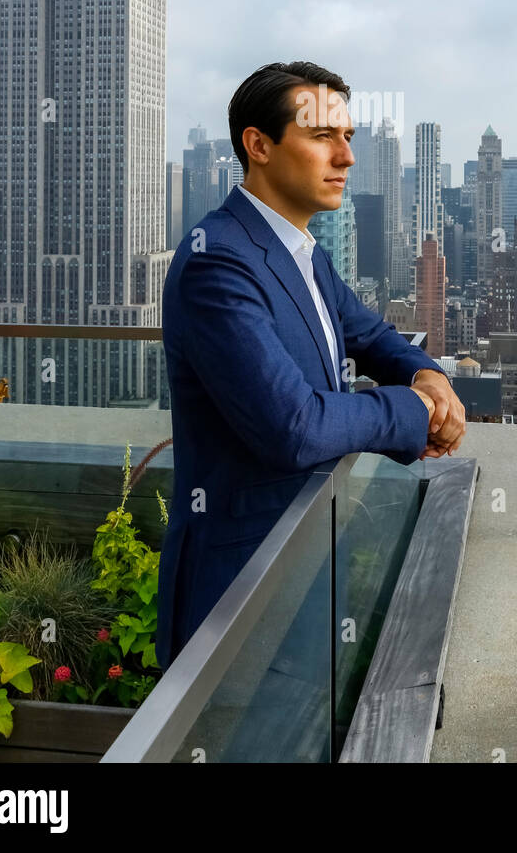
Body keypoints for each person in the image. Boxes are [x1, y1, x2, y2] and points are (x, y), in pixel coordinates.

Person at [155, 60, 465, 671]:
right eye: (324, 136)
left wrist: (427, 372)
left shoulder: (299, 252)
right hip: (240, 593)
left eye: (348, 138)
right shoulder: (219, 262)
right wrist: (416, 409)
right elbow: (293, 427)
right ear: (259, 145)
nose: (346, 157)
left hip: (307, 567)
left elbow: (370, 333)